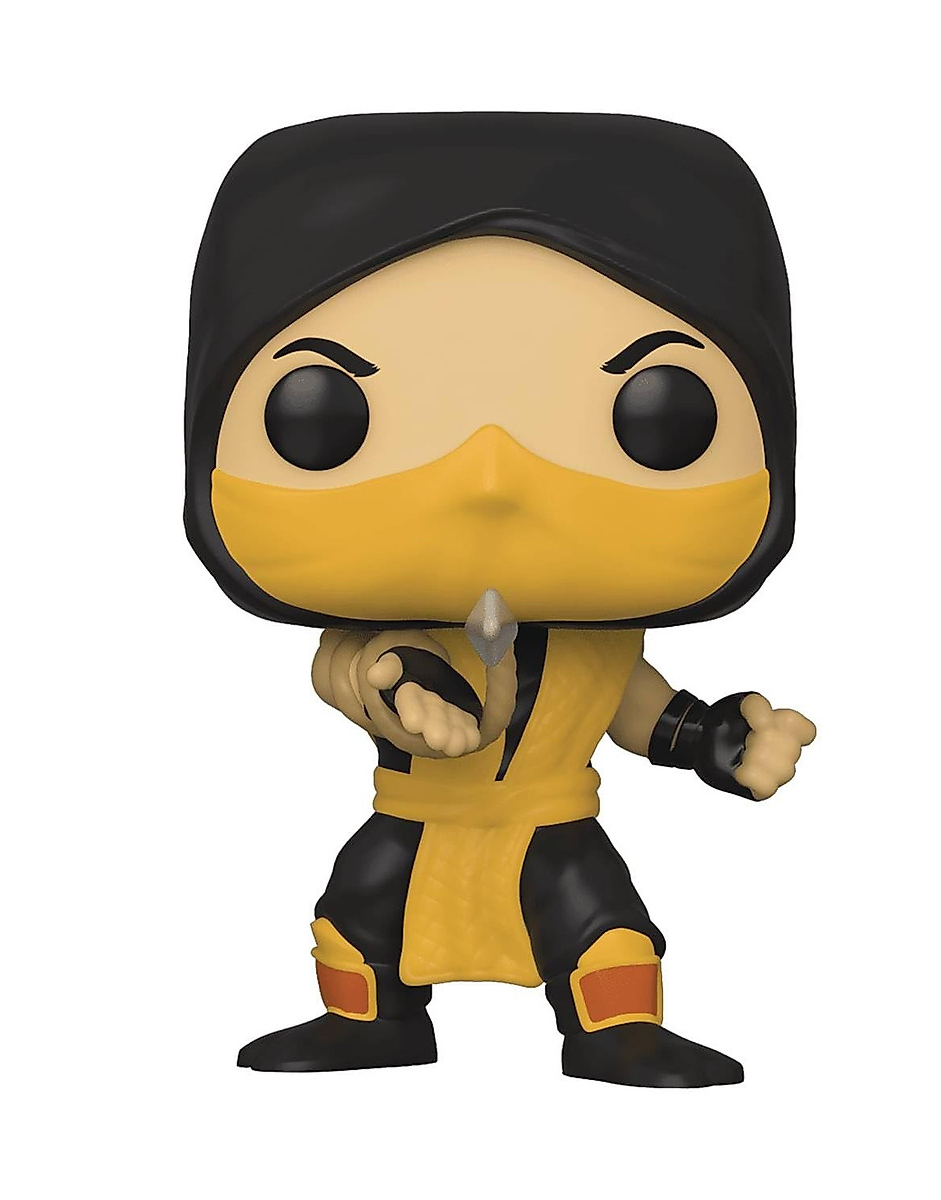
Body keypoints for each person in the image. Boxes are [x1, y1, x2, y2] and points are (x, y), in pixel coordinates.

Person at [184, 113, 816, 1088]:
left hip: (552, 822)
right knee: (358, 918)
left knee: (601, 928)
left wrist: (720, 740)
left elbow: (640, 711)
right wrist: (413, 685)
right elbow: (364, 669)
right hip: (414, 817)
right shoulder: (367, 633)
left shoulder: (603, 641)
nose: (490, 476)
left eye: (661, 415)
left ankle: (616, 1031)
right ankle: (367, 1020)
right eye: (324, 416)